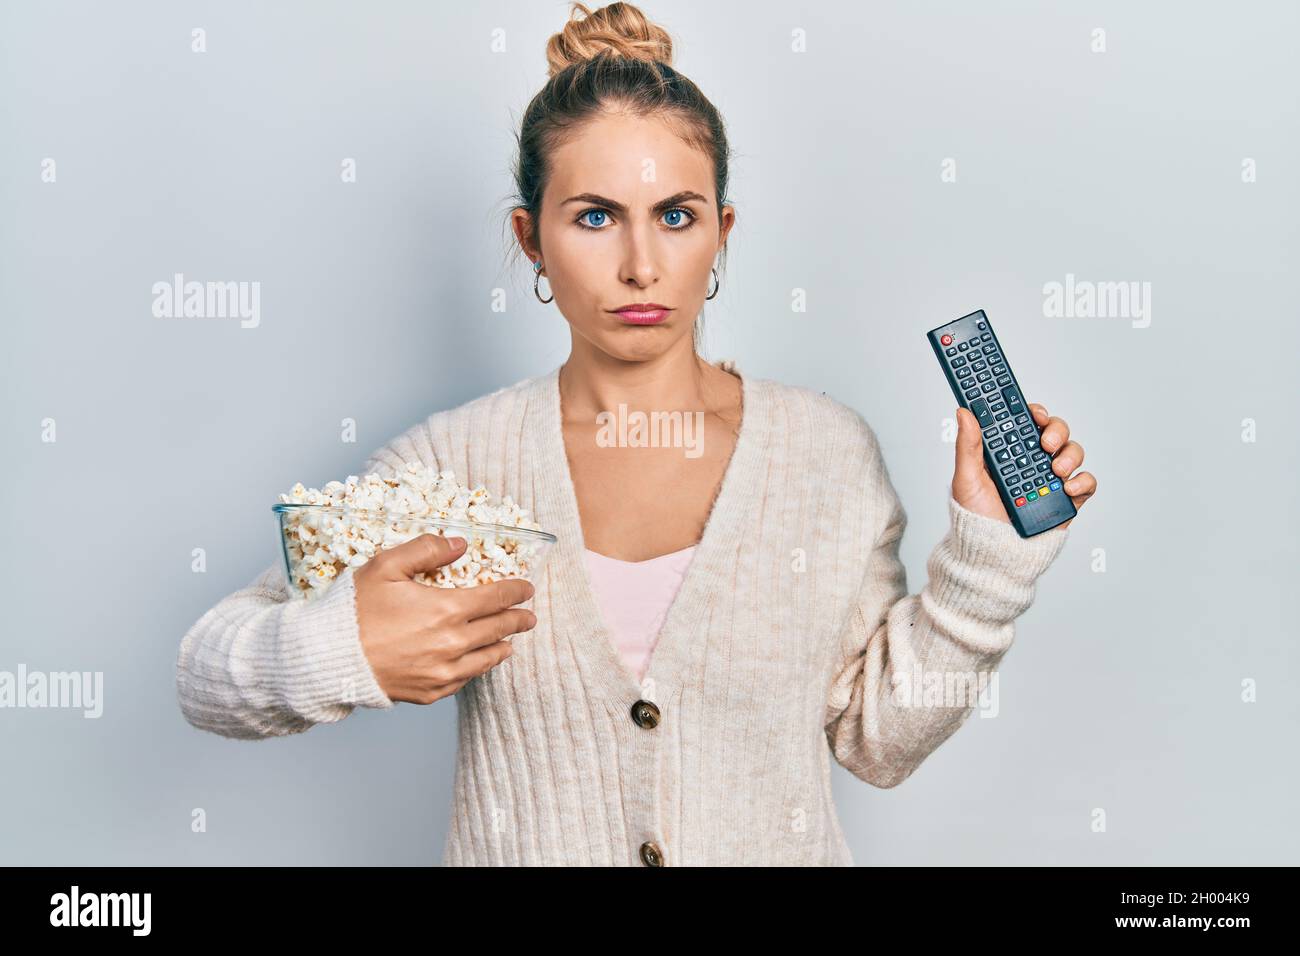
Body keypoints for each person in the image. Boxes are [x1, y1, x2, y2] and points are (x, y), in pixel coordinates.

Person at [176, 1, 1096, 866]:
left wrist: (988, 562)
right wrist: (344, 651)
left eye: (677, 216)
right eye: (594, 217)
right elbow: (208, 675)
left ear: (721, 232)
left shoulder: (825, 452)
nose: (641, 265)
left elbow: (879, 742)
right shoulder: (451, 464)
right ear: (530, 239)